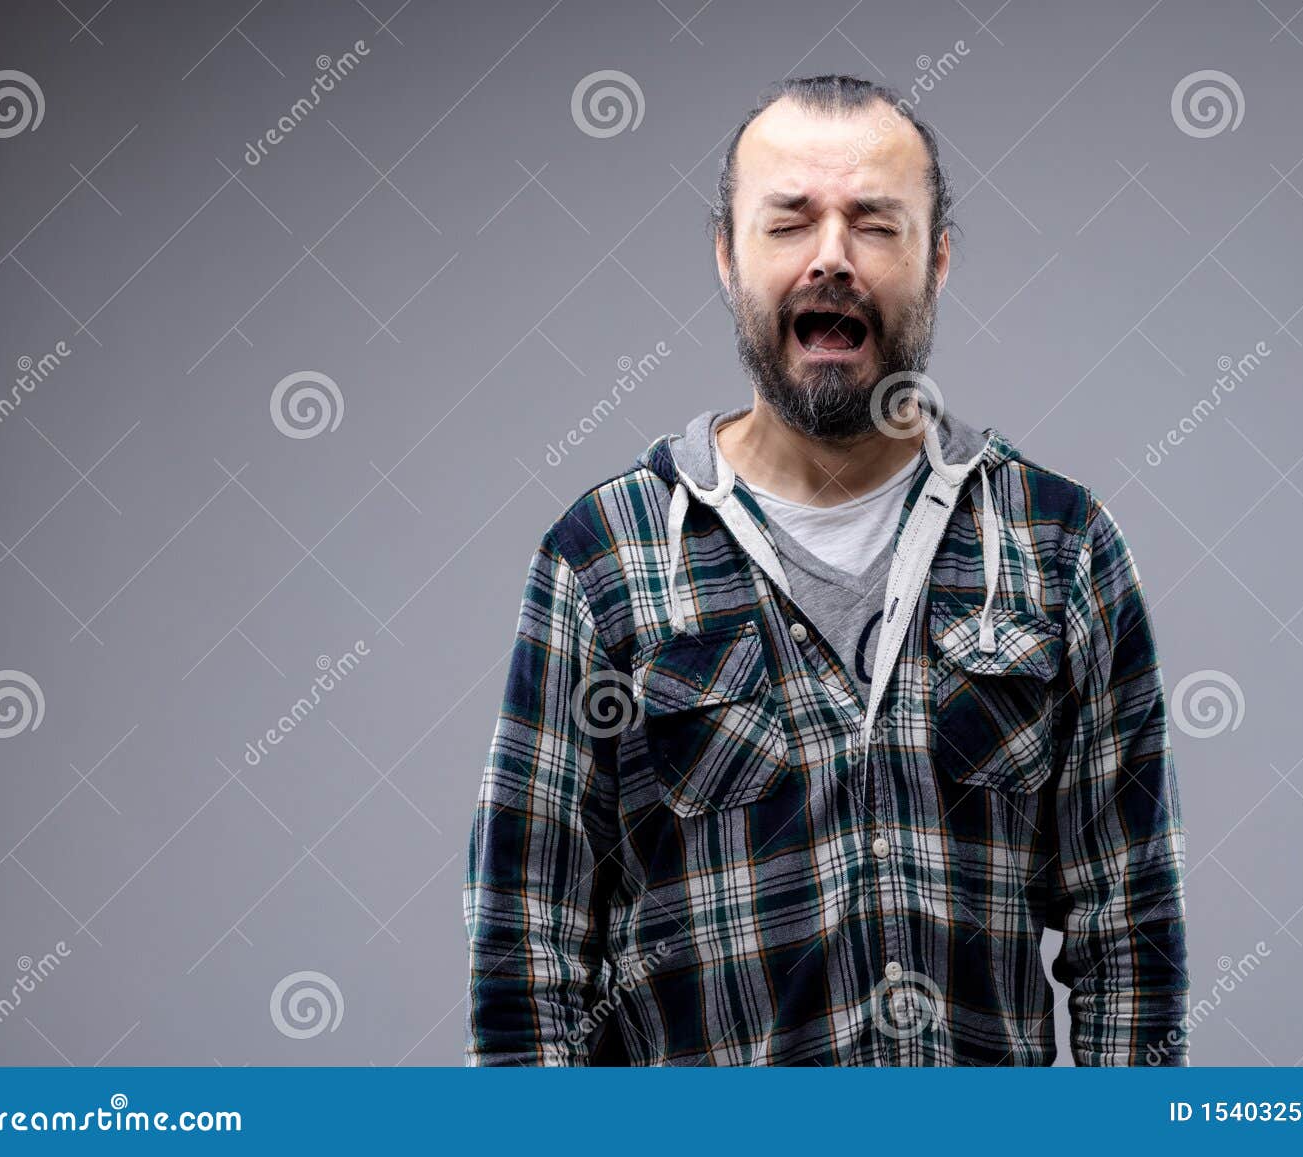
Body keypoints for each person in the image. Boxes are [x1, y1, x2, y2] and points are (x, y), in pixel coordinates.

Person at [464, 74, 1188, 1066]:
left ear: (935, 262)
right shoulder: (605, 558)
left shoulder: (1059, 545)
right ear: (730, 257)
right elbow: (526, 953)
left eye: (876, 224)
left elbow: (1130, 938)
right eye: (790, 222)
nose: (832, 257)